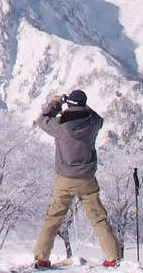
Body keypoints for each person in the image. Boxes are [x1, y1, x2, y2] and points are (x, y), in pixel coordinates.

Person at [32, 89, 121, 269]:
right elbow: (99, 118)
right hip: (87, 178)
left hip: (65, 178)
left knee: (54, 218)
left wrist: (56, 104)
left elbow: (41, 119)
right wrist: (82, 106)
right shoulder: (93, 123)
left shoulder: (60, 126)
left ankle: (41, 258)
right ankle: (112, 257)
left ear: (69, 105)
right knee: (98, 218)